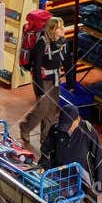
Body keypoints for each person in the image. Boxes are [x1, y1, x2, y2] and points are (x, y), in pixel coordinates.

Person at [40, 104, 102, 203]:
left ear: (77, 120)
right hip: (61, 179)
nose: (66, 129)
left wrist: (100, 182)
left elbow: (99, 156)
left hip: (84, 180)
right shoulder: (56, 129)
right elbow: (46, 150)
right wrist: (44, 165)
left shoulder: (88, 130)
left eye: (69, 126)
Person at [19, 17, 69, 150]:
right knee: (43, 107)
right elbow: (36, 67)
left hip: (55, 78)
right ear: (52, 30)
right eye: (60, 27)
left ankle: (45, 138)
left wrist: (71, 82)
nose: (63, 30)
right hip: (42, 79)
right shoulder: (42, 43)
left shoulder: (63, 42)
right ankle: (25, 127)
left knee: (52, 109)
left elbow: (68, 61)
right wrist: (40, 89)